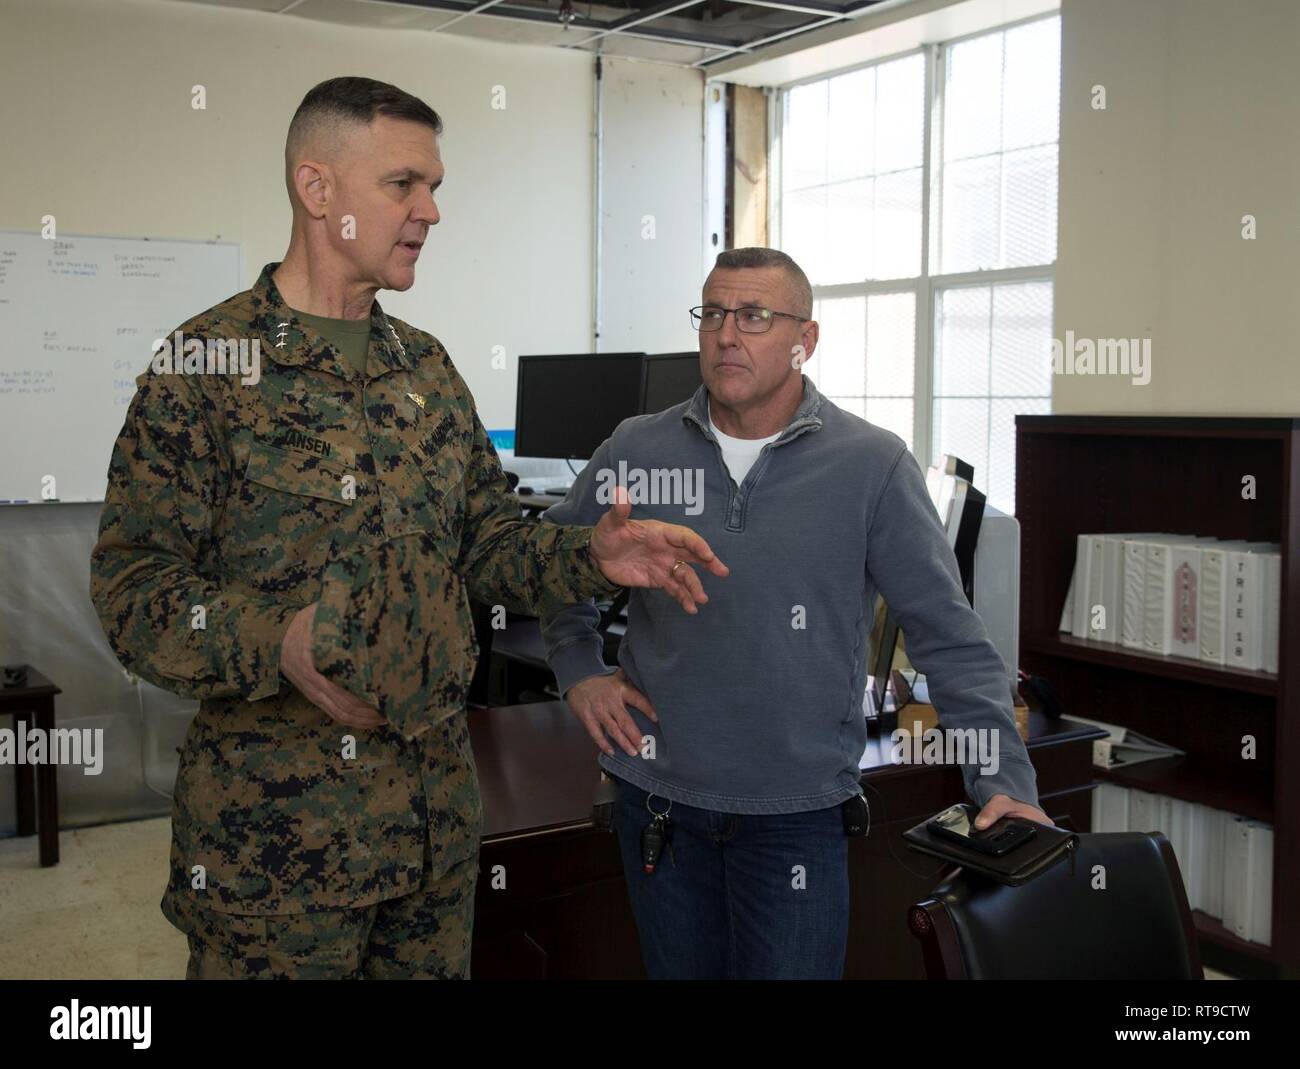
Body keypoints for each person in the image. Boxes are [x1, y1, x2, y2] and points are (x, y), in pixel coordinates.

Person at [88, 77, 726, 980]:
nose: (431, 209)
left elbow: (487, 542)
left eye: (434, 185)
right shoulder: (204, 369)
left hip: (429, 840)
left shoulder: (423, 366)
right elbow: (132, 592)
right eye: (403, 184)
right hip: (276, 860)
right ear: (318, 191)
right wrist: (282, 642)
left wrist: (594, 554)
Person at [541, 246, 1050, 980]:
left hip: (797, 821)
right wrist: (578, 670)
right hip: (659, 807)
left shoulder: (871, 465)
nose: (725, 334)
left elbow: (952, 640)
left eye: (753, 316)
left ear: (804, 341)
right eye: (712, 313)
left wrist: (1003, 784)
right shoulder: (637, 447)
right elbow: (548, 561)